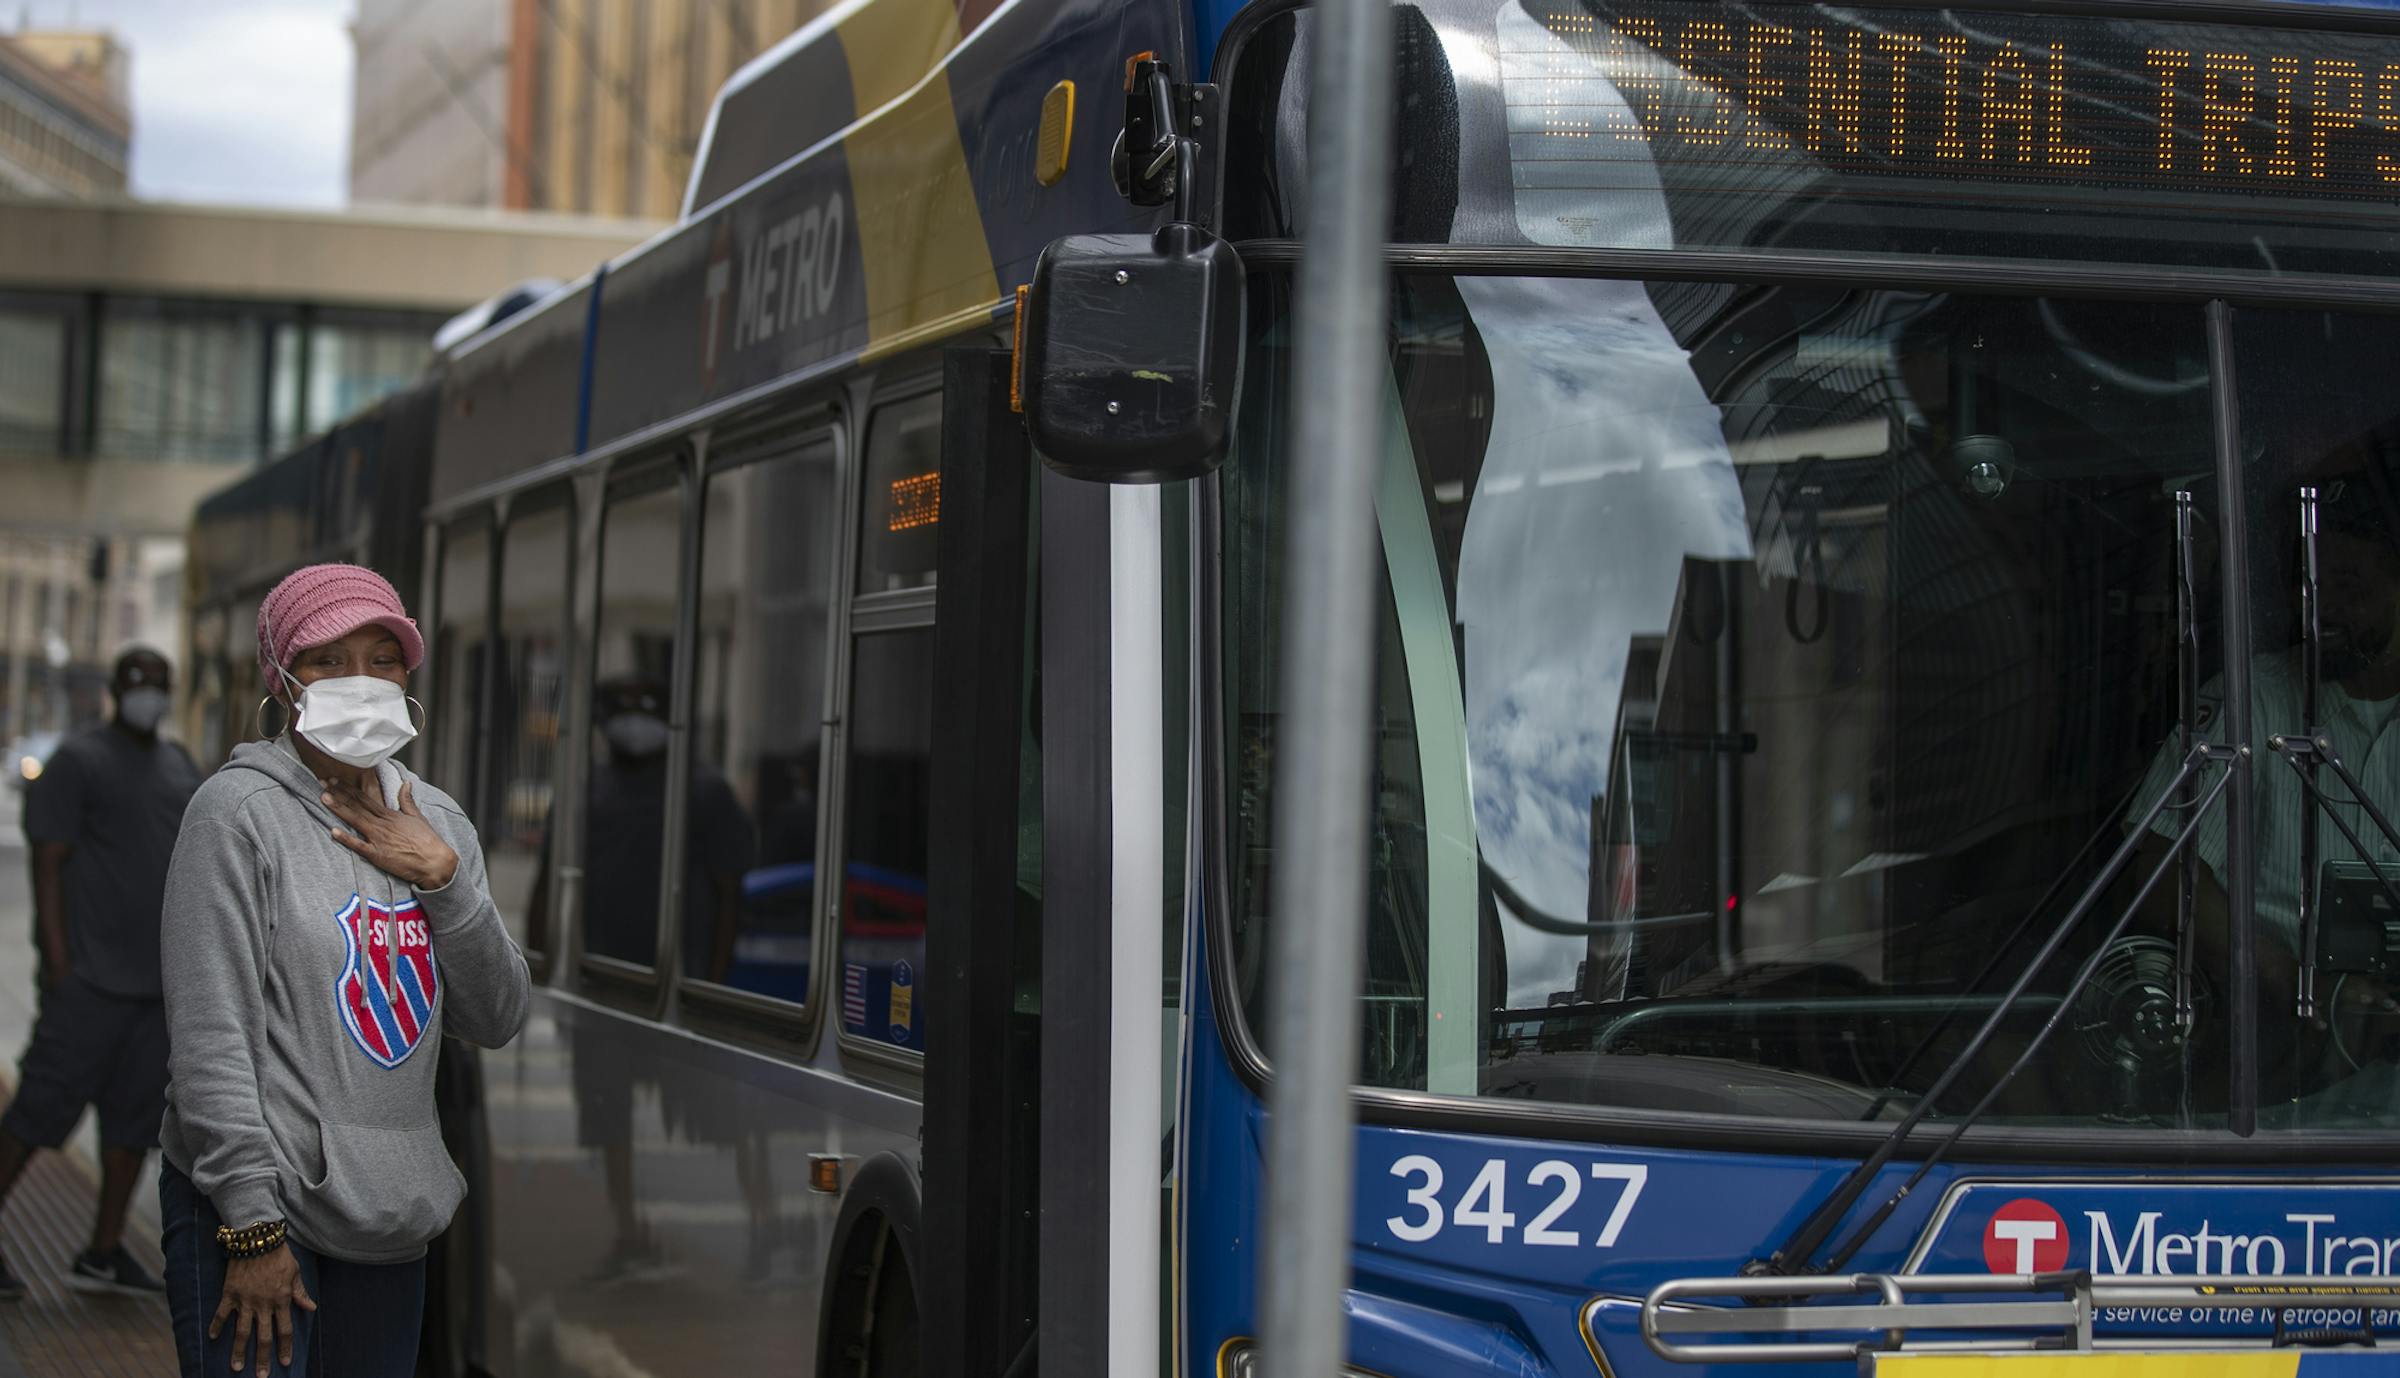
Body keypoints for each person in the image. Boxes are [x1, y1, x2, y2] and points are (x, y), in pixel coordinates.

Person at [157, 564, 530, 1377]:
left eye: (383, 658)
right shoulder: (236, 817)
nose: (360, 680)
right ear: (284, 682)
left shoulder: (440, 823)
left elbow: (496, 1017)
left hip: (390, 1217)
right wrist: (251, 1229)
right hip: (256, 1213)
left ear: (409, 676)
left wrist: (446, 883)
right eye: (326, 659)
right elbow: (210, 1041)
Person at [0, 646, 199, 1297]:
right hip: (89, 983)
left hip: (154, 989)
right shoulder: (76, 762)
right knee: (37, 1111)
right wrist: (60, 966)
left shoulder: (177, 765)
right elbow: (47, 864)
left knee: (133, 1125)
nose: (151, 693)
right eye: (140, 682)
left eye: (161, 683)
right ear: (117, 688)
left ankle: (103, 1248)